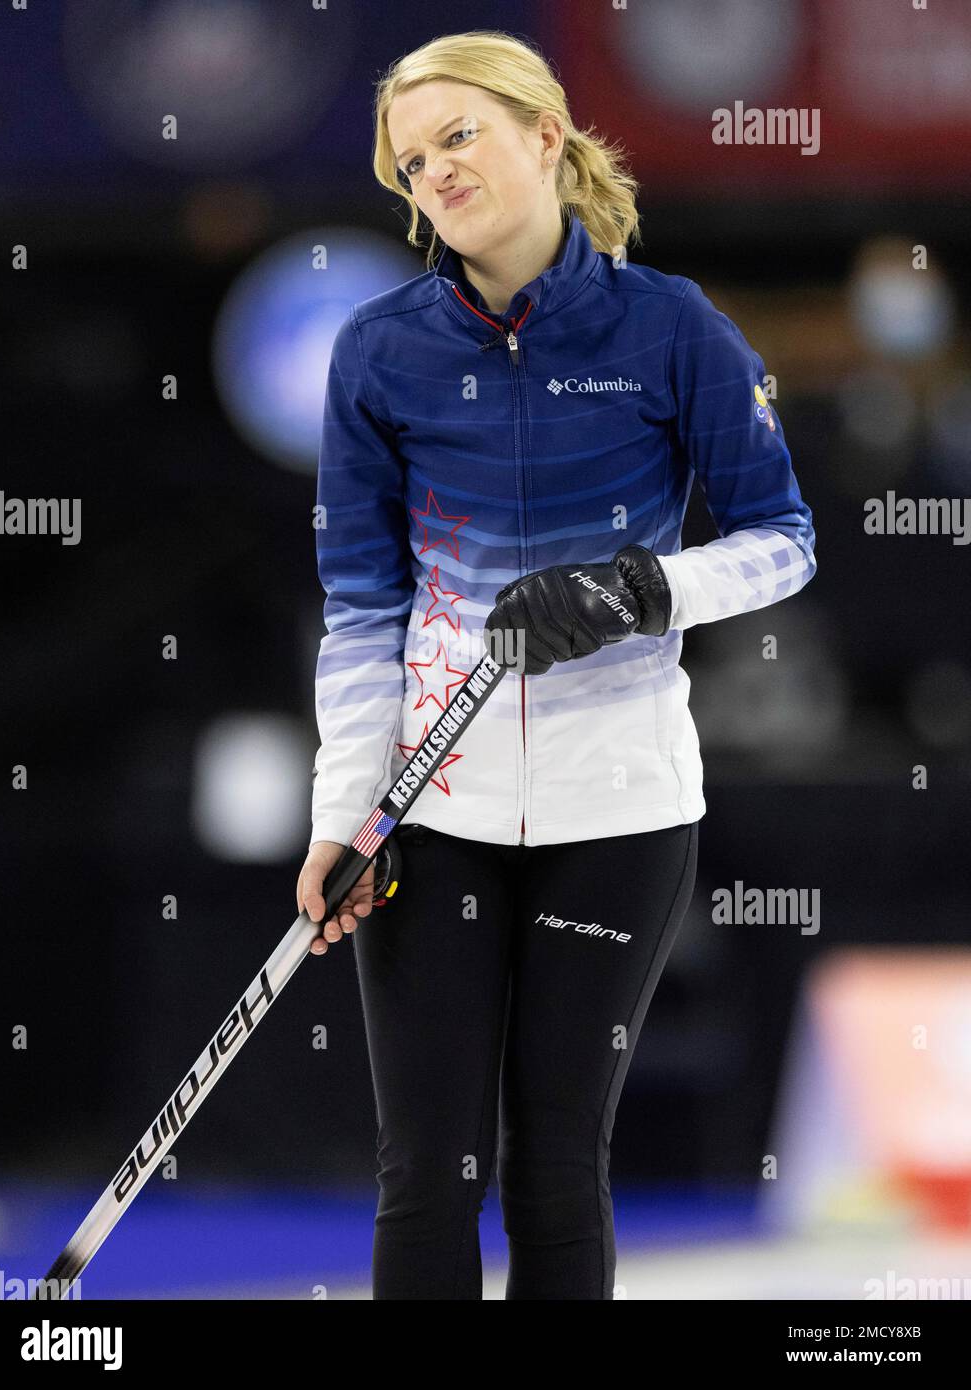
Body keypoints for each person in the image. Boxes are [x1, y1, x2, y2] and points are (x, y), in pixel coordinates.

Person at [296, 30, 816, 1300]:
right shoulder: (379, 350)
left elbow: (784, 542)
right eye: (412, 161)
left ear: (544, 132)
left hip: (619, 816)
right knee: (428, 1169)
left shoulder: (670, 326)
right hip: (432, 812)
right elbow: (361, 610)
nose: (436, 171)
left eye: (458, 135)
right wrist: (343, 812)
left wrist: (639, 590)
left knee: (555, 1168)